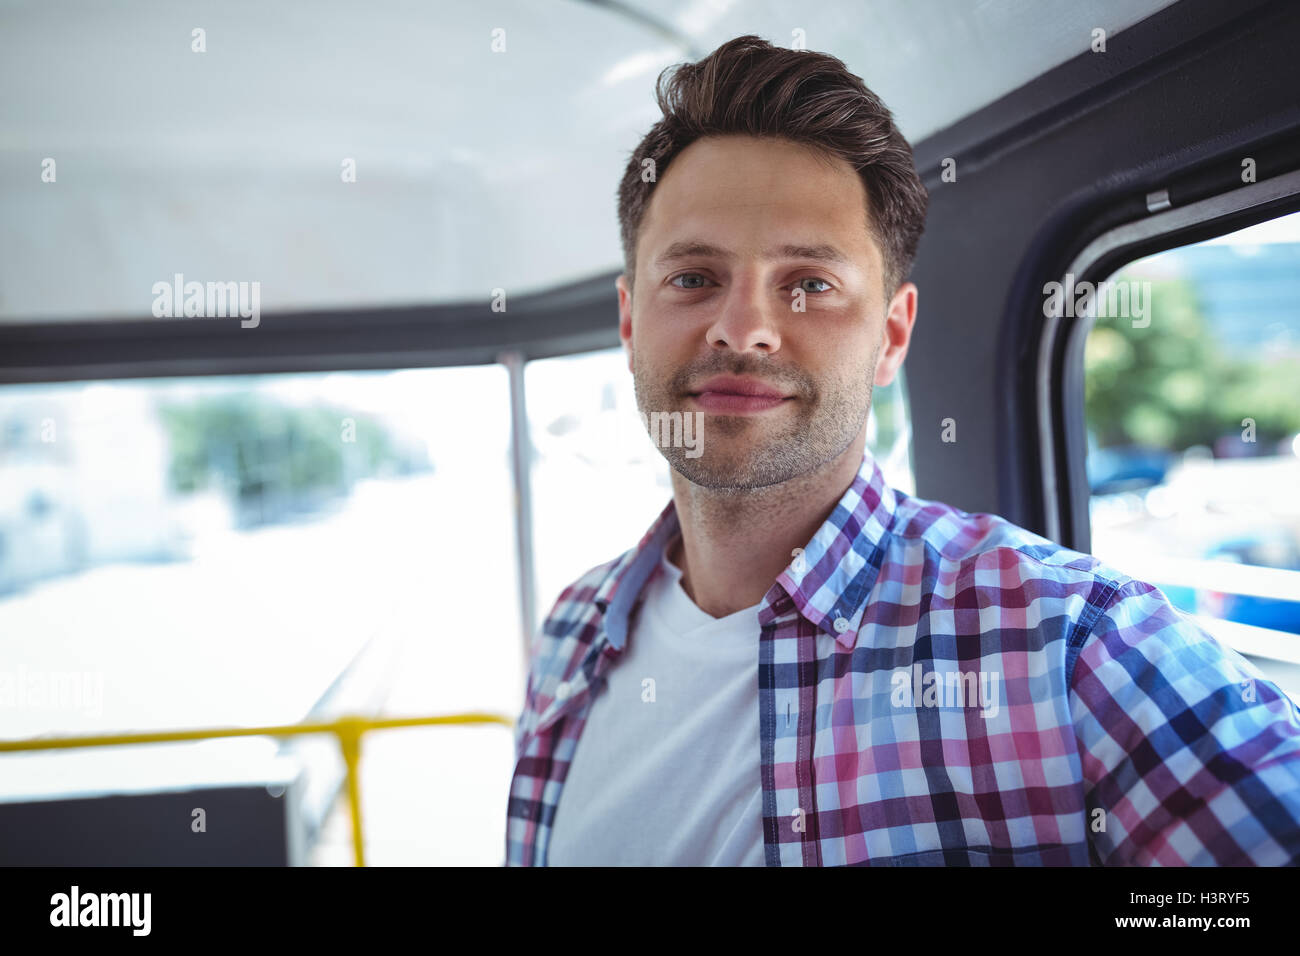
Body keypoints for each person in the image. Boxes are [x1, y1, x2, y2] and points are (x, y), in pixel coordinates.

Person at [506, 35, 1300, 866]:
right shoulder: (570, 636)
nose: (743, 328)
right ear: (632, 324)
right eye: (694, 277)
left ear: (891, 336)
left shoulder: (1068, 644)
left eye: (809, 283)